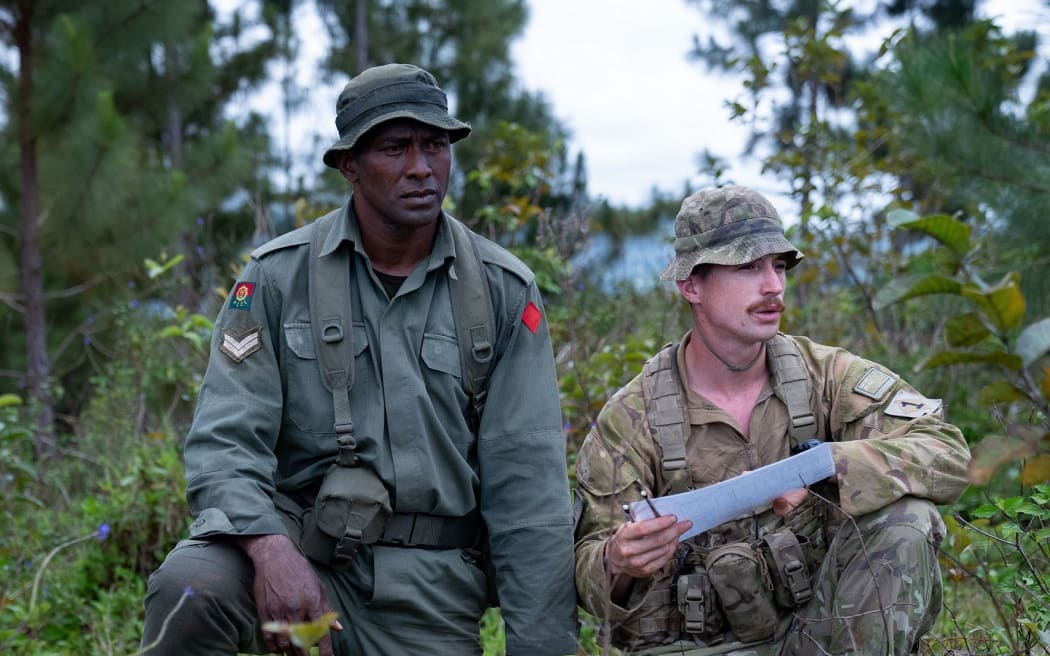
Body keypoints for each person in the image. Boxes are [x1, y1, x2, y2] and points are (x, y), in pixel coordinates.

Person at [141, 63, 578, 656]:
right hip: (297, 546)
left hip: (429, 586)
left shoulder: (502, 292)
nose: (421, 168)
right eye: (395, 148)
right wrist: (270, 550)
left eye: (435, 145)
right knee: (192, 589)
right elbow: (225, 442)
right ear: (349, 165)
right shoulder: (277, 279)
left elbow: (529, 494)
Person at [572, 185, 971, 655]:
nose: (773, 286)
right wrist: (620, 561)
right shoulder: (631, 418)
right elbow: (586, 576)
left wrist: (830, 472)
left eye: (778, 266)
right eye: (747, 267)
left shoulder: (827, 377)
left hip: (819, 634)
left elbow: (947, 452)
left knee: (909, 517)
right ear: (690, 285)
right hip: (691, 647)